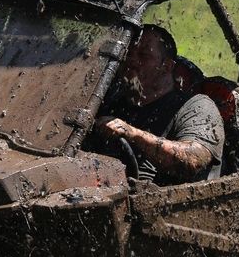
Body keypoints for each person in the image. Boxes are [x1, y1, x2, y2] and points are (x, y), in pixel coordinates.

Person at [94, 25, 225, 185]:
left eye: (143, 55)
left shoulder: (197, 107)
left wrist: (133, 134)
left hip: (163, 198)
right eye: (128, 53)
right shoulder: (108, 98)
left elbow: (193, 159)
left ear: (166, 66)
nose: (132, 60)